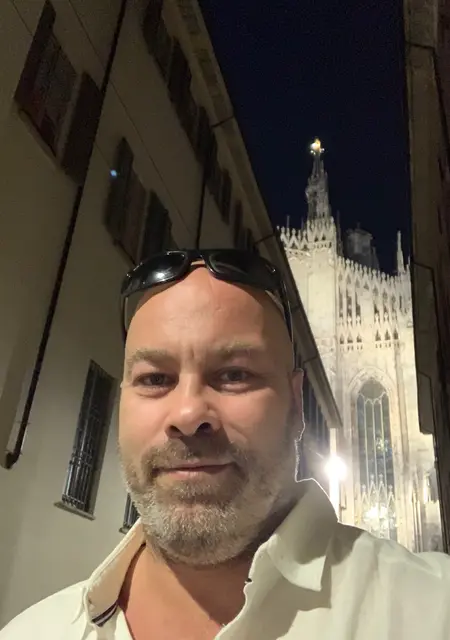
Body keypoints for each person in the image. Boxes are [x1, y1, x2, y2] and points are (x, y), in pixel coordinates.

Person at [2, 248, 450, 640]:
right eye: (154, 379)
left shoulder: (431, 611)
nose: (188, 414)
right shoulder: (31, 633)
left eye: (235, 374)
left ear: (296, 405)